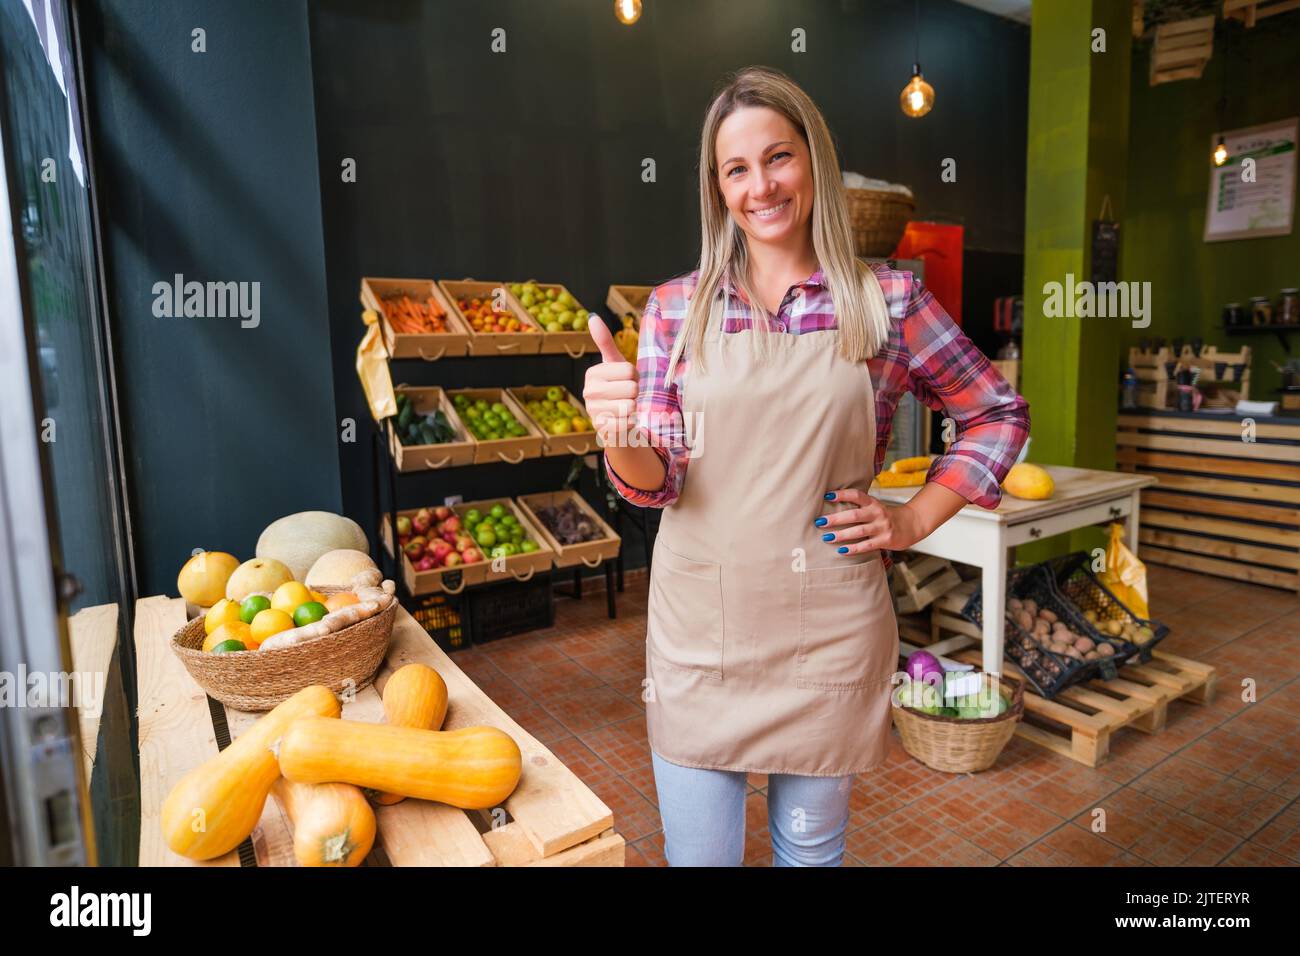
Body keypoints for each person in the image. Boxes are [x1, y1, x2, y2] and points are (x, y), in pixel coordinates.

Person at [584, 66, 1030, 867]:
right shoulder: (675, 310)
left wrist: (912, 519)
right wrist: (616, 429)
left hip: (827, 631)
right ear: (717, 187)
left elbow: (996, 412)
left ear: (814, 162)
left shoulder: (886, 300)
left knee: (811, 856)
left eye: (778, 157)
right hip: (698, 639)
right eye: (737, 169)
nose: (761, 185)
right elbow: (656, 483)